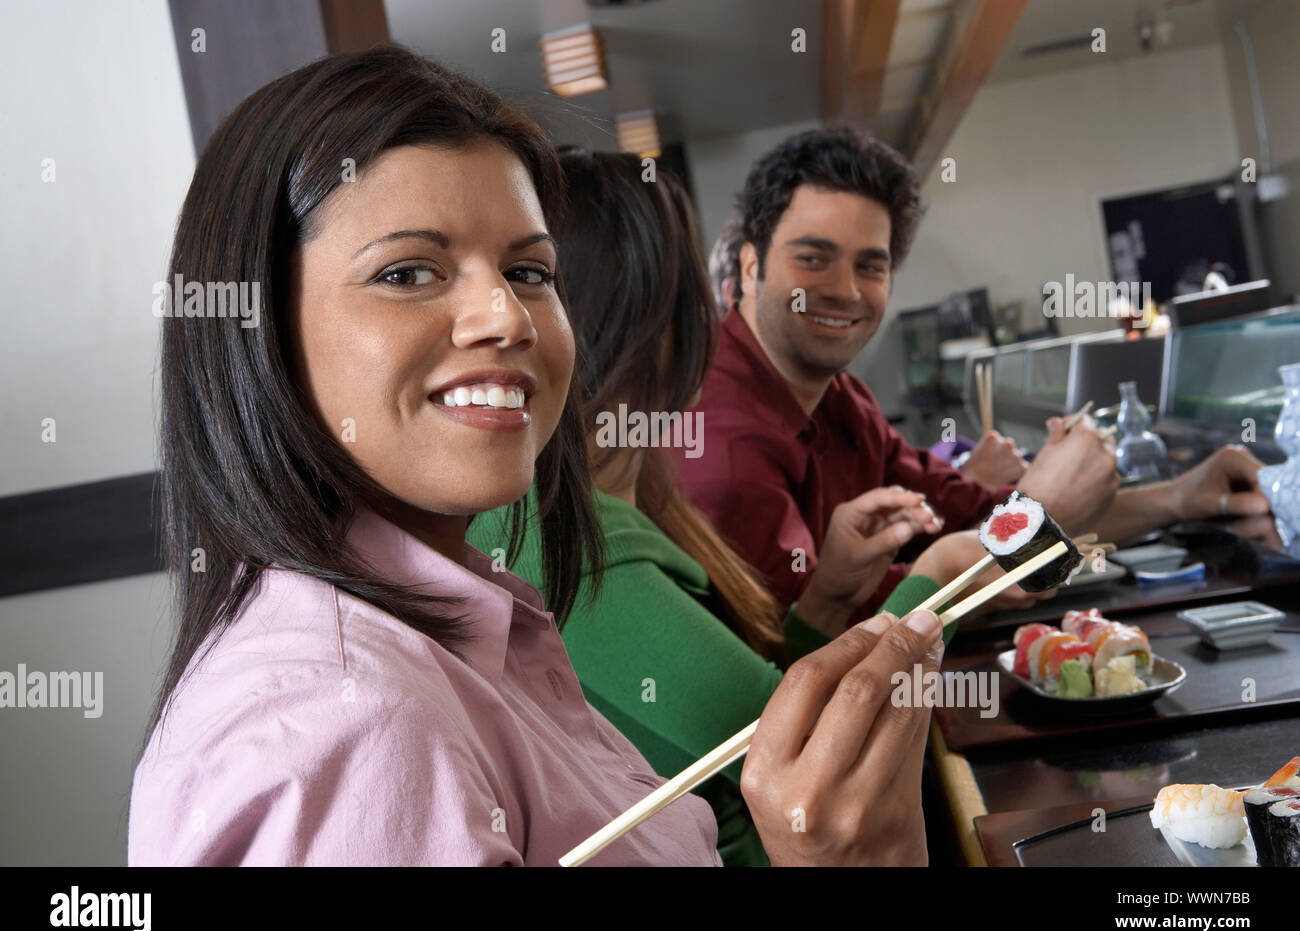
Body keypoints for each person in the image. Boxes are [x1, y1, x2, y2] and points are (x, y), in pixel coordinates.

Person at [129, 47, 942, 867]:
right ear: (257, 332)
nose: (508, 319)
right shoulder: (345, 722)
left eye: (528, 271)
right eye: (408, 272)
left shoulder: (478, 618)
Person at [468, 149, 1030, 864]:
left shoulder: (621, 497)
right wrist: (940, 578)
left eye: (872, 266)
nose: (843, 293)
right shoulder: (554, 537)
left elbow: (737, 713)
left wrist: (825, 600)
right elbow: (803, 750)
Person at [671, 126, 1272, 621]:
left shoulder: (842, 399)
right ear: (750, 266)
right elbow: (810, 651)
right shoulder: (724, 440)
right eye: (813, 258)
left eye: (871, 266)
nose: (845, 291)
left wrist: (1183, 496)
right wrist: (1038, 512)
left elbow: (982, 517)